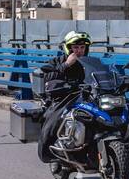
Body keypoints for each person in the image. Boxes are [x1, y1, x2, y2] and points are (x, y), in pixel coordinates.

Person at [37, 31, 92, 163]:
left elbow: (102, 74)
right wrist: (66, 65)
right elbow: (45, 76)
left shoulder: (90, 63)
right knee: (54, 120)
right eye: (76, 47)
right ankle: (48, 150)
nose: (79, 50)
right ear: (68, 48)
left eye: (82, 47)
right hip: (63, 98)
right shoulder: (58, 61)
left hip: (85, 98)